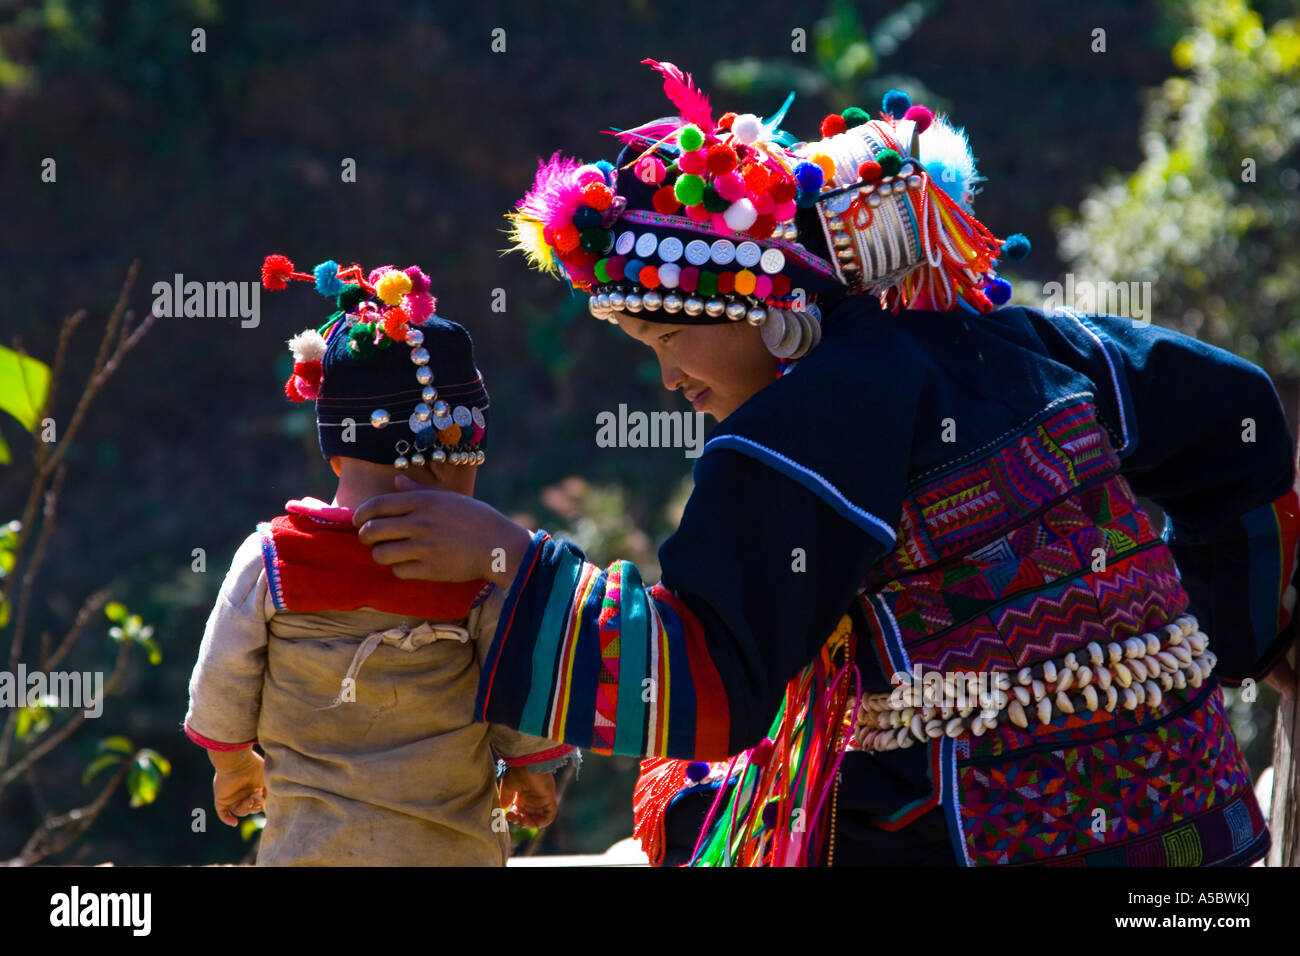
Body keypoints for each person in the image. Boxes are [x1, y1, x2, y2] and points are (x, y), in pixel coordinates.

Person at [353, 62, 1299, 866]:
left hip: (1002, 842)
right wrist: (1231, 640)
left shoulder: (801, 430)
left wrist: (510, 563)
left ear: (774, 312)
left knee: (693, 807)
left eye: (668, 336)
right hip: (1196, 828)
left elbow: (710, 682)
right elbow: (1237, 413)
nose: (671, 380)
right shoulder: (1032, 345)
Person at [184, 257, 577, 866]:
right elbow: (518, 681)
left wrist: (232, 763)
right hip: (450, 850)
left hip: (309, 850)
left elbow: (221, 676)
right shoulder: (475, 572)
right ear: (450, 458)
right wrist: (532, 771)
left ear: (336, 457)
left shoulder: (275, 559)